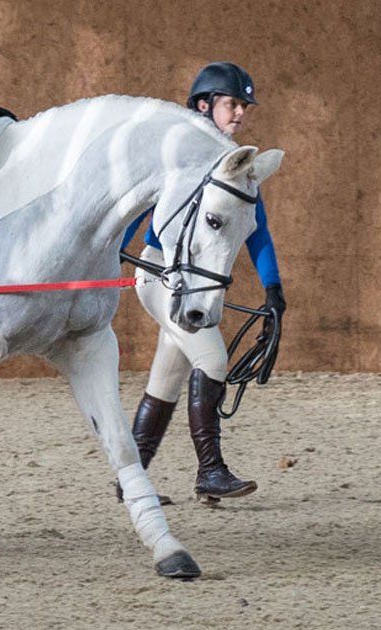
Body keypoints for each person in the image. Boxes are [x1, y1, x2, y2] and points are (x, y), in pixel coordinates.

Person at [121, 62, 286, 503]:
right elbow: (136, 203)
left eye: (243, 107)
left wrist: (274, 290)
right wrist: (112, 251)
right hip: (161, 273)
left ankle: (130, 479)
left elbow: (259, 230)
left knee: (167, 377)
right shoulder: (179, 154)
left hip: (190, 281)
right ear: (203, 104)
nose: (240, 114)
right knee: (211, 358)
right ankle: (210, 471)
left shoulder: (236, 166)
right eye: (232, 104)